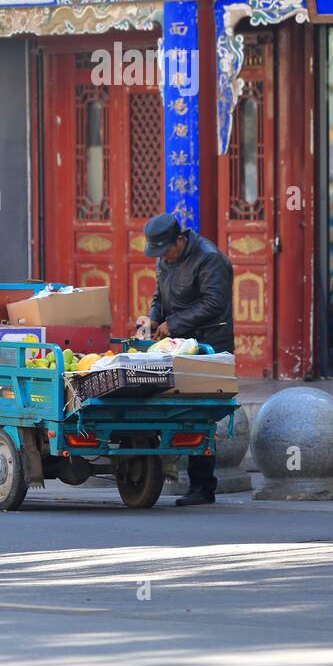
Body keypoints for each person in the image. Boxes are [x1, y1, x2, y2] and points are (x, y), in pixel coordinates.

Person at [142, 212, 234, 507]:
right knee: (173, 406)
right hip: (177, 340)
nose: (163, 257)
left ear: (180, 240)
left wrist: (175, 323)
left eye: (167, 250)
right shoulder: (164, 259)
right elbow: (159, 295)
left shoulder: (208, 258)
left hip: (209, 342)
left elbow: (214, 303)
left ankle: (203, 486)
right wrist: (154, 320)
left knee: (201, 412)